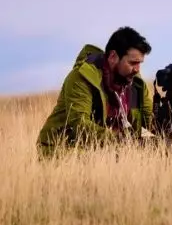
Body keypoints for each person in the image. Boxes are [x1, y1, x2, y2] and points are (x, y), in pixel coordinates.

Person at [36, 26, 153, 159]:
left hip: (106, 151)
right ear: (113, 56)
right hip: (62, 150)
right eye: (133, 63)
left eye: (140, 63)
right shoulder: (82, 78)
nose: (137, 69)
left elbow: (148, 122)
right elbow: (79, 125)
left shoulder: (135, 85)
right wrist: (122, 142)